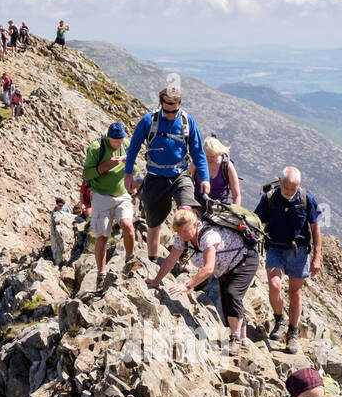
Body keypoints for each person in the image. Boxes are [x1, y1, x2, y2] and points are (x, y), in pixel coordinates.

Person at [147, 206, 259, 350]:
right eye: (178, 231)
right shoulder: (183, 237)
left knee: (232, 294)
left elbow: (208, 268)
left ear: (195, 224)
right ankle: (244, 342)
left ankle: (235, 339)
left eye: (185, 230)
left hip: (245, 259)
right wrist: (156, 281)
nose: (181, 234)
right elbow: (171, 259)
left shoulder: (208, 236)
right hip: (226, 267)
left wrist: (187, 285)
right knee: (228, 301)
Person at [125, 86, 210, 262]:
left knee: (188, 212)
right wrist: (128, 174)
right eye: (167, 111)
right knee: (154, 223)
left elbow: (198, 152)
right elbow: (133, 147)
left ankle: (189, 255)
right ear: (161, 104)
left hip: (180, 175)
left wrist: (205, 177)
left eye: (174, 111)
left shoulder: (187, 121)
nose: (171, 115)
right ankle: (153, 260)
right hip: (155, 177)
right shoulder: (149, 120)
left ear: (179, 105)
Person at [255, 167, 323, 353]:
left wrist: (317, 257)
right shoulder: (269, 198)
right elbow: (256, 221)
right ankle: (279, 319)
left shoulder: (306, 198)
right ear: (280, 181)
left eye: (293, 189)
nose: (289, 192)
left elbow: (316, 229)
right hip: (275, 247)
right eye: (286, 188)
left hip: (298, 252)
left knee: (296, 293)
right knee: (275, 285)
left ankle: (292, 334)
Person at [84, 122, 139, 291]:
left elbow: (135, 168)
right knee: (102, 237)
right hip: (101, 196)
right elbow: (87, 173)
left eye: (121, 140)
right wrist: (108, 165)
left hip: (122, 194)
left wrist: (131, 173)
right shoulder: (96, 148)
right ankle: (101, 275)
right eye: (115, 141)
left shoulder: (127, 145)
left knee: (128, 225)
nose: (119, 144)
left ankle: (130, 261)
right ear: (108, 138)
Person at [191, 136, 241, 206]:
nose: (209, 159)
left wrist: (235, 213)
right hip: (197, 202)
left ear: (219, 154)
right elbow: (186, 184)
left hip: (219, 205)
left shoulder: (227, 167)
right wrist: (190, 205)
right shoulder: (197, 162)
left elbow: (236, 196)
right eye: (206, 156)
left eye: (213, 156)